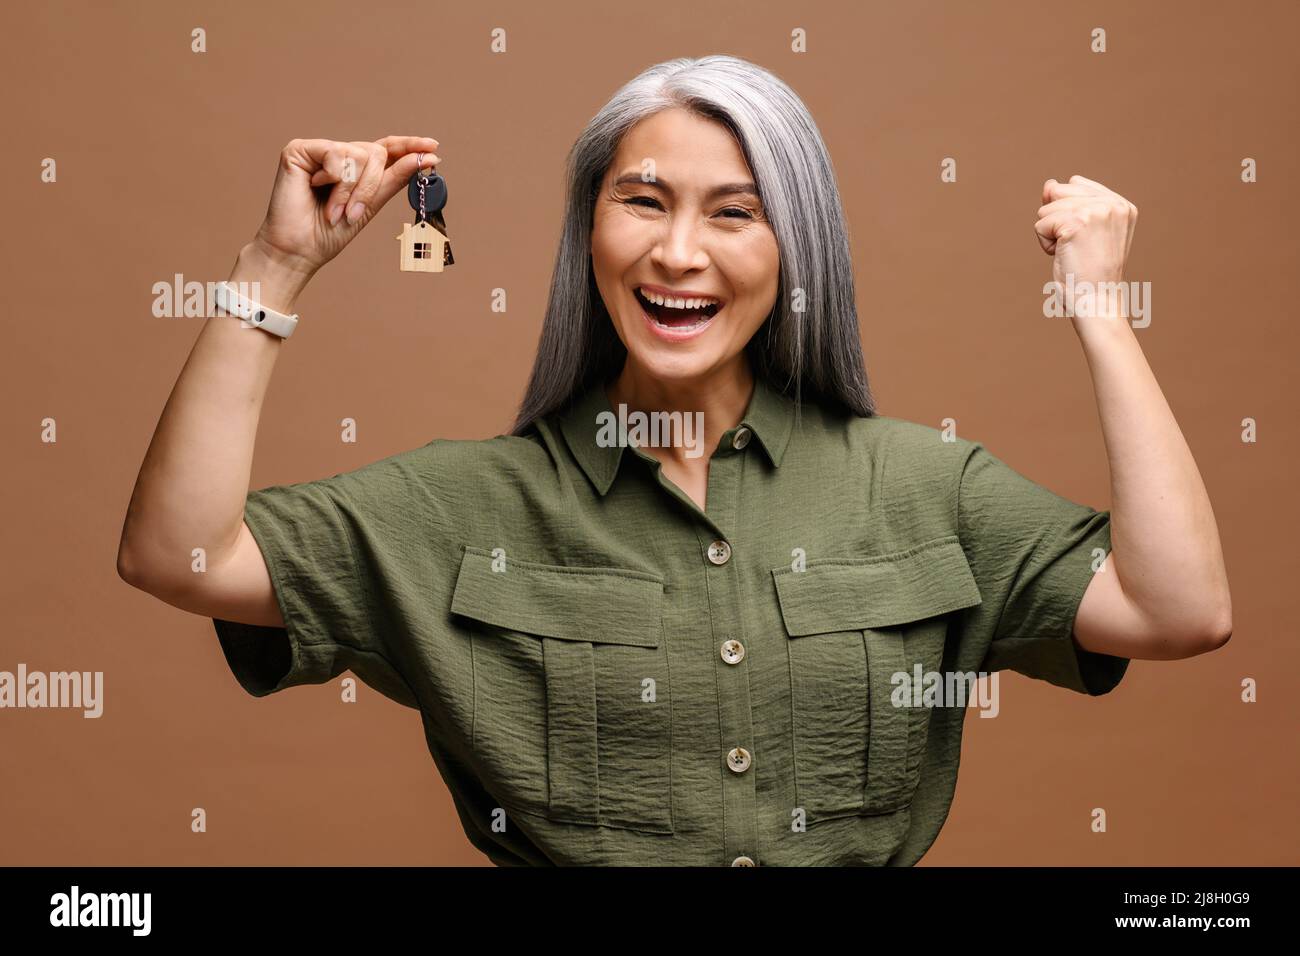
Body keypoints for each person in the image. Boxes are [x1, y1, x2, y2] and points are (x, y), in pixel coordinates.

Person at [116, 55, 1232, 866]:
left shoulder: (925, 485)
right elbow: (180, 552)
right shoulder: (461, 505)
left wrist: (1099, 309)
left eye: (734, 213)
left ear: (797, 248)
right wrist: (272, 268)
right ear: (586, 233)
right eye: (640, 201)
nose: (678, 251)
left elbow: (1178, 609)